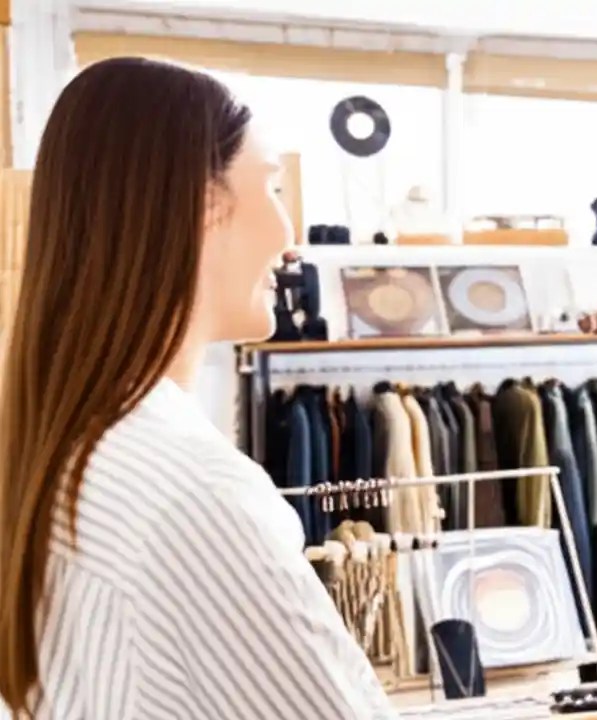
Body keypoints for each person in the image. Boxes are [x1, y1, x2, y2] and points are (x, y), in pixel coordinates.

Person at [0, 58, 395, 718]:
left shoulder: (62, 449)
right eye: (271, 188)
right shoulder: (194, 494)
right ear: (201, 203)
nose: (288, 235)